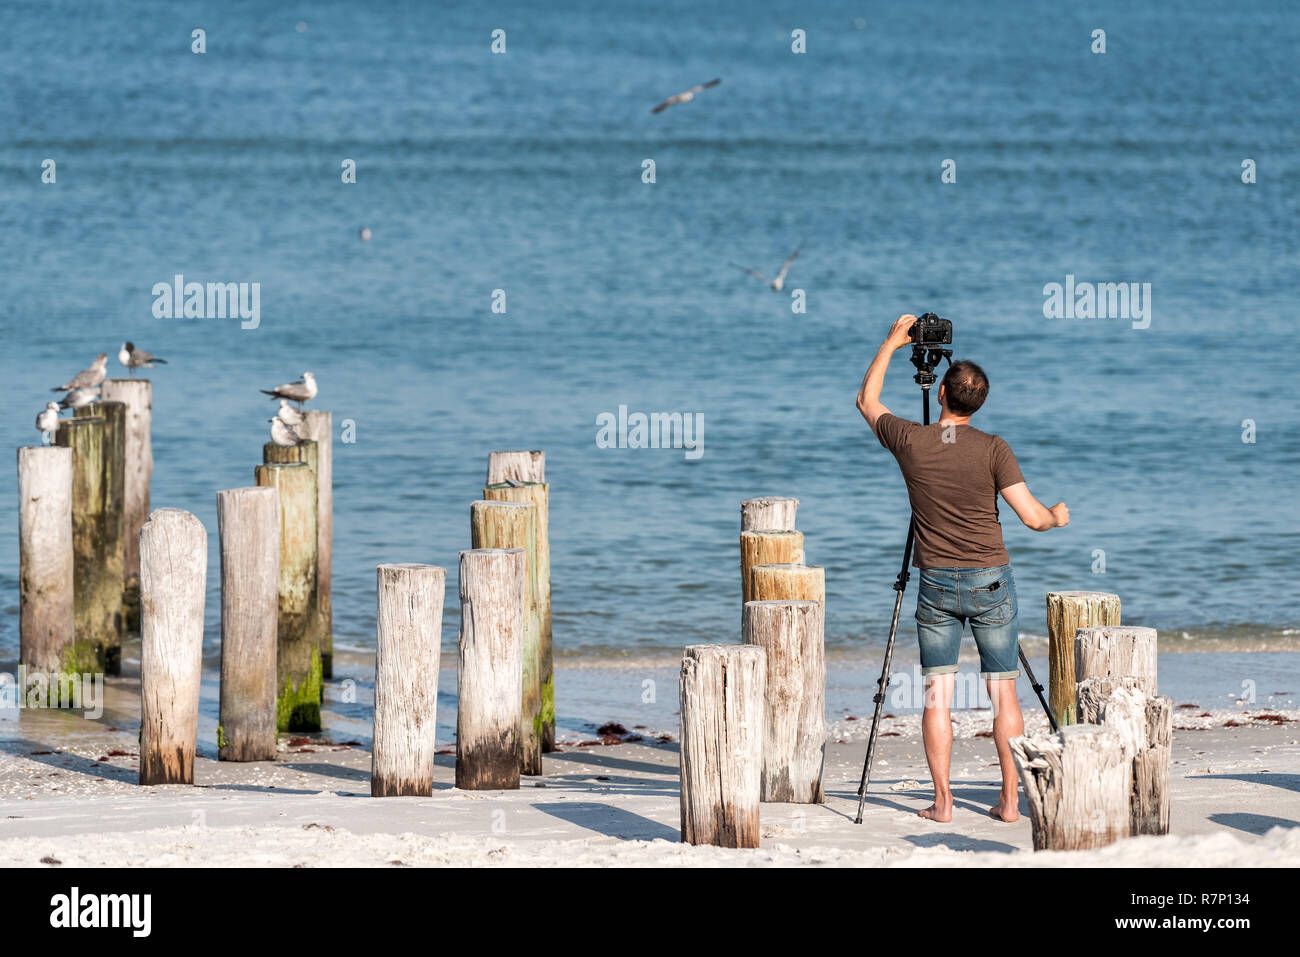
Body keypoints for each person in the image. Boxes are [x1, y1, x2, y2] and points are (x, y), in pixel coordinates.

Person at [855, 314, 1069, 823]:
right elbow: (1034, 518)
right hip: (990, 579)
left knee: (937, 692)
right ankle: (1012, 800)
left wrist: (891, 340)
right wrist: (1058, 519)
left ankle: (944, 801)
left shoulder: (911, 441)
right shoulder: (994, 448)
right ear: (980, 402)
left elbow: (867, 401)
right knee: (1004, 690)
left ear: (942, 394)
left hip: (935, 583)